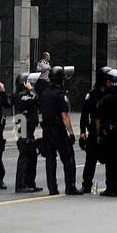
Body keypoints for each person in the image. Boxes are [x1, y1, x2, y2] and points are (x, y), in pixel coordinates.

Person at [39, 66, 81, 196]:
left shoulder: (44, 93)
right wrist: (71, 133)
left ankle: (52, 188)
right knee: (68, 158)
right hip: (58, 129)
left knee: (50, 159)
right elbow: (65, 115)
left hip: (46, 129)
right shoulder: (60, 94)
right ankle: (70, 186)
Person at [80, 68, 110, 193]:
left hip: (108, 131)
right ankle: (86, 185)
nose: (110, 82)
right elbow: (84, 113)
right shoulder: (92, 94)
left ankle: (111, 185)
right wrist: (82, 132)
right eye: (108, 80)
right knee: (90, 160)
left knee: (109, 159)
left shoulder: (111, 94)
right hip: (93, 131)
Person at [13, 75, 41, 193]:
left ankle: (30, 182)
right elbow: (35, 97)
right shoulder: (21, 95)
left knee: (32, 156)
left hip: (29, 128)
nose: (32, 84)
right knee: (24, 155)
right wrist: (31, 90)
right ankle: (20, 184)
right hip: (23, 127)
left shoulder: (27, 94)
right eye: (29, 82)